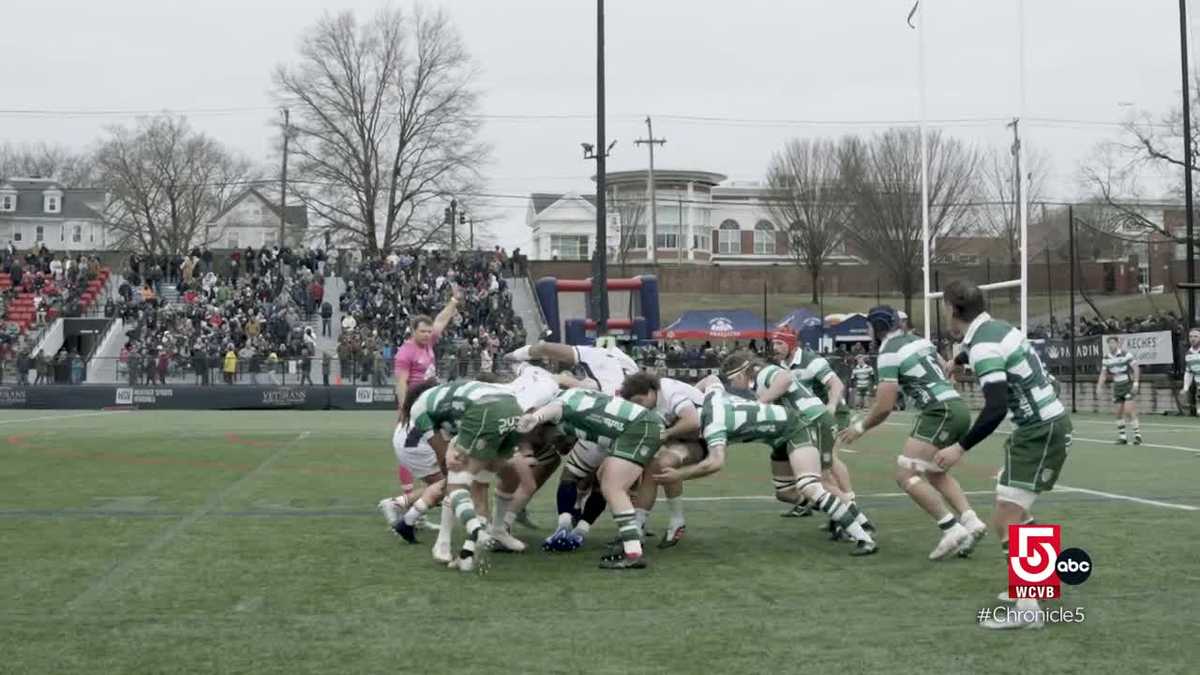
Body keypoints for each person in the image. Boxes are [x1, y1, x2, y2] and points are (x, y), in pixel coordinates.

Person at [932, 280, 1072, 630]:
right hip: (1043, 426)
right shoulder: (997, 329)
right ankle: (1039, 582)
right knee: (1014, 511)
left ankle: (1029, 611)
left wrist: (958, 447)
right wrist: (956, 360)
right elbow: (981, 350)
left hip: (1039, 430)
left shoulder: (984, 346)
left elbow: (994, 408)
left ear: (952, 308)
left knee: (1005, 517)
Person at [837, 306, 986, 561]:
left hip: (939, 411)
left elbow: (885, 405)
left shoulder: (888, 352)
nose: (867, 332)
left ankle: (951, 528)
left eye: (869, 327)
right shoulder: (921, 341)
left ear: (878, 328)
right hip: (956, 406)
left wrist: (859, 427)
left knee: (906, 473)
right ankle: (971, 521)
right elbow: (950, 370)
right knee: (936, 471)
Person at [670, 374, 878, 556]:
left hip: (796, 428)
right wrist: (692, 393)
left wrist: (677, 475)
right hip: (778, 437)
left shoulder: (712, 423)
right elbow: (712, 379)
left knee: (810, 485)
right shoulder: (710, 399)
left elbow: (715, 463)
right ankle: (841, 514)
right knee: (786, 493)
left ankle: (863, 537)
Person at [518, 387, 662, 569]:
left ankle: (633, 553)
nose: (556, 444)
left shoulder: (560, 408)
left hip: (640, 427)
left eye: (552, 440)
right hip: (638, 427)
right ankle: (631, 547)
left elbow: (556, 409)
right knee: (604, 479)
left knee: (612, 487)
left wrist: (535, 418)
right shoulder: (572, 403)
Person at [403, 379, 527, 572]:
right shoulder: (448, 396)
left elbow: (441, 451)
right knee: (487, 478)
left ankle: (445, 542)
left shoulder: (419, 410)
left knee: (456, 480)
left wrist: (451, 474)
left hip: (487, 411)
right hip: (513, 407)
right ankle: (479, 543)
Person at [620, 373, 706, 548]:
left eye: (639, 401)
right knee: (651, 466)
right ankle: (638, 526)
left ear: (652, 391)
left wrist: (665, 434)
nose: (638, 406)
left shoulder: (669, 392)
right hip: (684, 439)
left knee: (665, 463)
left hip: (704, 438)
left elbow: (693, 421)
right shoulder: (652, 401)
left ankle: (677, 521)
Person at [1097, 336, 1142, 445]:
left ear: (1118, 343)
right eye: (1109, 343)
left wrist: (1136, 383)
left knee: (1128, 410)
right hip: (1117, 387)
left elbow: (1136, 368)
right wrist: (1099, 386)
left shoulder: (1126, 354)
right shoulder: (1107, 358)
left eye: (1113, 343)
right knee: (1118, 413)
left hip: (1127, 385)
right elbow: (1103, 374)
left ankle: (1137, 435)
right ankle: (1122, 437)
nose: (1111, 345)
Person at [1179, 327, 1200, 405]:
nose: (1193, 339)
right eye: (1190, 336)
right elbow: (1189, 372)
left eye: (1195, 336)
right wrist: (1185, 388)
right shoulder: (1188, 354)